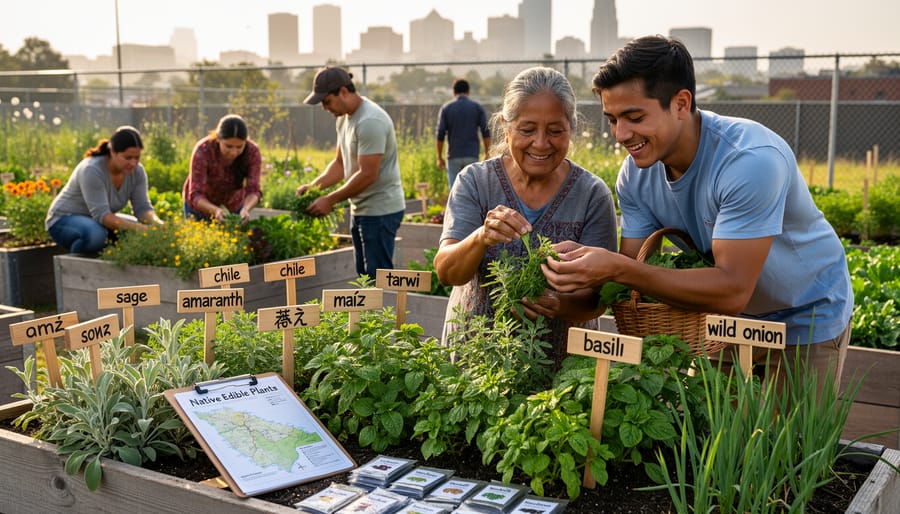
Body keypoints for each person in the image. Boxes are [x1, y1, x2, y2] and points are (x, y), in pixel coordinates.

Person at [543, 35, 854, 394]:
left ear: (680, 103)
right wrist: (563, 292)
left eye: (634, 117)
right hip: (722, 318)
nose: (620, 134)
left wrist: (616, 267)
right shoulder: (636, 174)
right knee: (713, 439)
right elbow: (630, 277)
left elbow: (732, 287)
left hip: (804, 310)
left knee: (791, 444)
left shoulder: (749, 160)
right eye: (612, 119)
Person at [433, 67, 618, 366]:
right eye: (527, 129)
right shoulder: (475, 182)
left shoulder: (591, 194)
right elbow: (447, 271)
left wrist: (558, 303)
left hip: (561, 374)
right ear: (506, 128)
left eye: (555, 131)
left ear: (571, 128)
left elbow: (599, 297)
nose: (541, 143)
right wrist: (481, 237)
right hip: (477, 365)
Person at [298, 66, 406, 278]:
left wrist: (329, 200)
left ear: (344, 92)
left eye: (326, 101)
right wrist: (314, 187)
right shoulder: (344, 118)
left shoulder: (369, 121)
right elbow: (340, 163)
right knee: (363, 278)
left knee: (377, 277)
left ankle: (385, 312)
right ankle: (369, 312)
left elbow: (368, 174)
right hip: (361, 209)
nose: (324, 107)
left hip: (380, 210)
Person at [45, 126, 163, 255]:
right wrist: (141, 229)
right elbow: (103, 216)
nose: (133, 163)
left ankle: (107, 261)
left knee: (133, 228)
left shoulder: (137, 172)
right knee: (96, 236)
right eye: (128, 158)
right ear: (113, 152)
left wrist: (159, 225)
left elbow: (143, 208)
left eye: (137, 157)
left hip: (95, 221)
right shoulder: (92, 169)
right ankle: (77, 266)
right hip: (64, 220)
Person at [182, 114, 262, 223]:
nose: (234, 152)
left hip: (233, 206)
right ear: (218, 139)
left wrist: (246, 208)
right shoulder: (203, 151)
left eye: (239, 147)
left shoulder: (252, 152)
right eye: (228, 146)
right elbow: (196, 194)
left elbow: (254, 190)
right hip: (201, 207)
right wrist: (215, 211)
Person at [435, 78, 491, 191]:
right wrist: (487, 152)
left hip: (453, 155)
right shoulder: (477, 107)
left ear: (453, 92)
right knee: (473, 190)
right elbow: (485, 131)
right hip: (472, 154)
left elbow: (440, 134)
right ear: (468, 91)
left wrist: (440, 157)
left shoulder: (446, 108)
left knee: (455, 191)